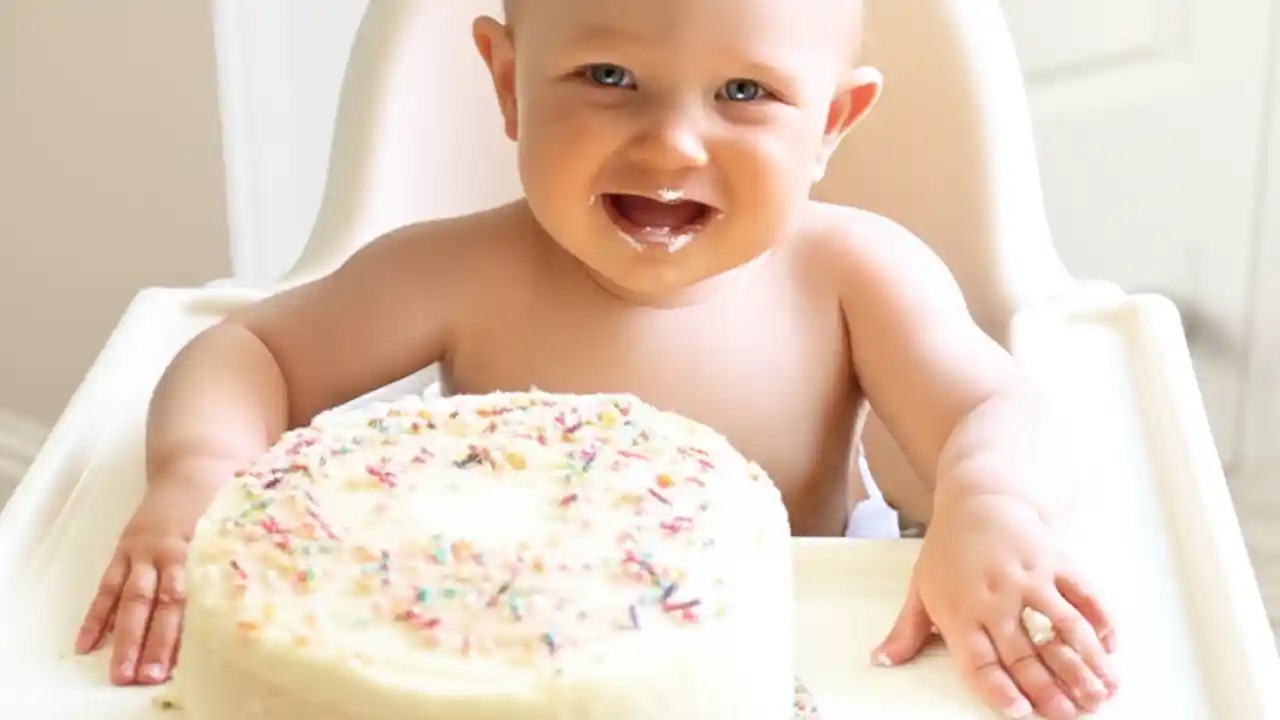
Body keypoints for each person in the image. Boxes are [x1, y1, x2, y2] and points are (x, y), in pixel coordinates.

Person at [75, 1, 1117, 717]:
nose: (669, 143)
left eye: (744, 92)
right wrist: (199, 474)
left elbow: (996, 409)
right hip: (504, 660)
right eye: (608, 76)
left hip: (781, 660)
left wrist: (988, 506)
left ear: (831, 123)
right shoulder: (462, 271)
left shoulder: (850, 274)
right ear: (507, 81)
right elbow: (247, 348)